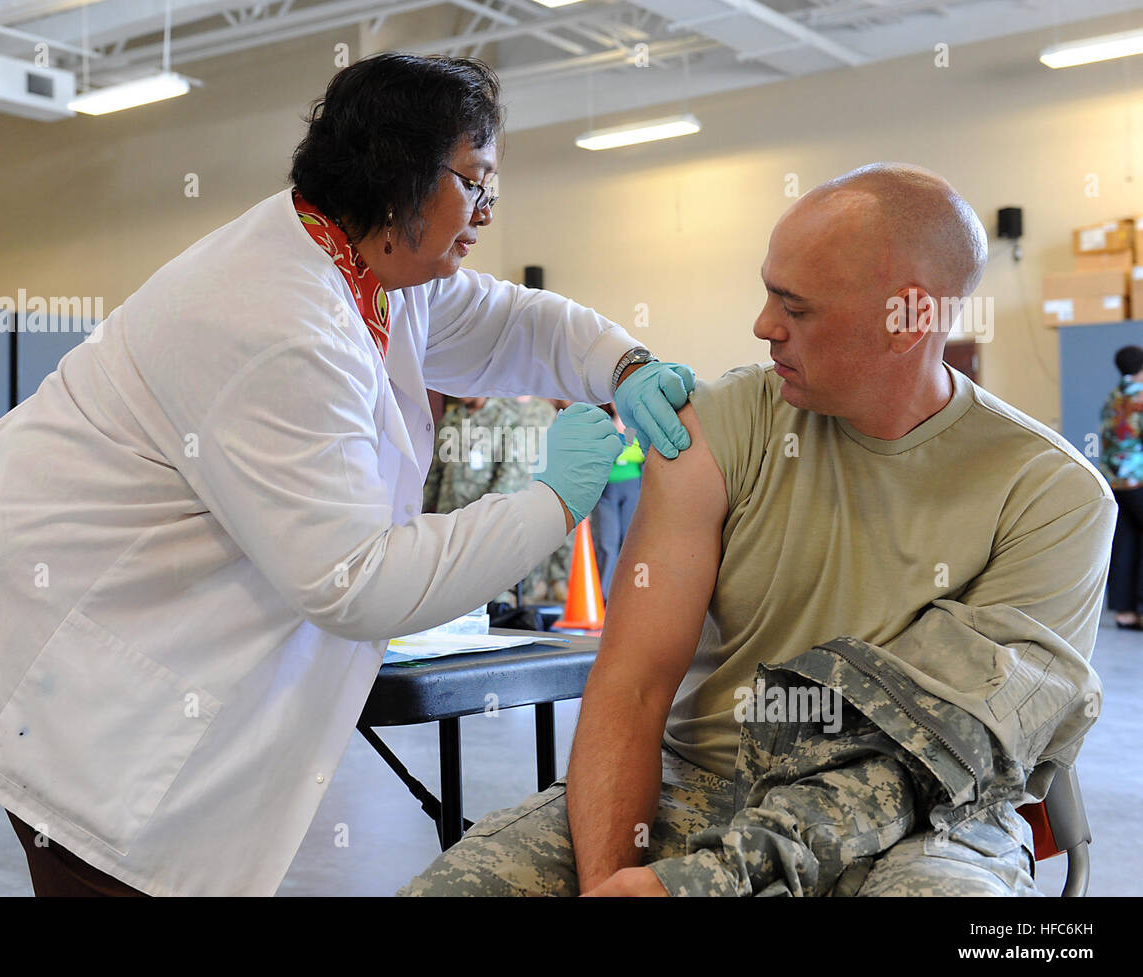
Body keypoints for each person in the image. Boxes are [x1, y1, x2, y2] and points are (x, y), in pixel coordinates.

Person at [0, 52, 696, 896]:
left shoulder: (370, 263)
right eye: (475, 183)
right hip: (47, 623)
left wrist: (621, 361)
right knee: (100, 866)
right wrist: (548, 501)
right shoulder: (280, 318)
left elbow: (503, 325)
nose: (488, 212)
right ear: (401, 175)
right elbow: (355, 578)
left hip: (117, 603)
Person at [400, 162, 1111, 897]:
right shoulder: (719, 424)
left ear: (908, 319)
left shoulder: (1053, 495)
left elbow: (910, 766)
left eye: (795, 308)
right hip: (704, 781)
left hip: (933, 817)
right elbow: (633, 686)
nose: (763, 326)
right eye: (769, 290)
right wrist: (613, 878)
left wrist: (703, 882)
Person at [422, 395, 574, 604]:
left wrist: (487, 512)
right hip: (449, 517)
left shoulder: (507, 416)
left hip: (483, 519)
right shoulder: (451, 419)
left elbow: (510, 471)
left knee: (488, 593)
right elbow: (435, 472)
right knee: (448, 588)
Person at [1099, 344, 1143, 628]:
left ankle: (1124, 612)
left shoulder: (1111, 398)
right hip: (1139, 480)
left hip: (1114, 481)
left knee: (1124, 543)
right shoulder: (1140, 397)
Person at [589, 402, 644, 600]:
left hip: (631, 488)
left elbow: (639, 452)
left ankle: (629, 595)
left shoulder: (637, 420)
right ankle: (603, 597)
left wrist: (621, 437)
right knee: (606, 542)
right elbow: (600, 452)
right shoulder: (599, 420)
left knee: (628, 541)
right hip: (605, 491)